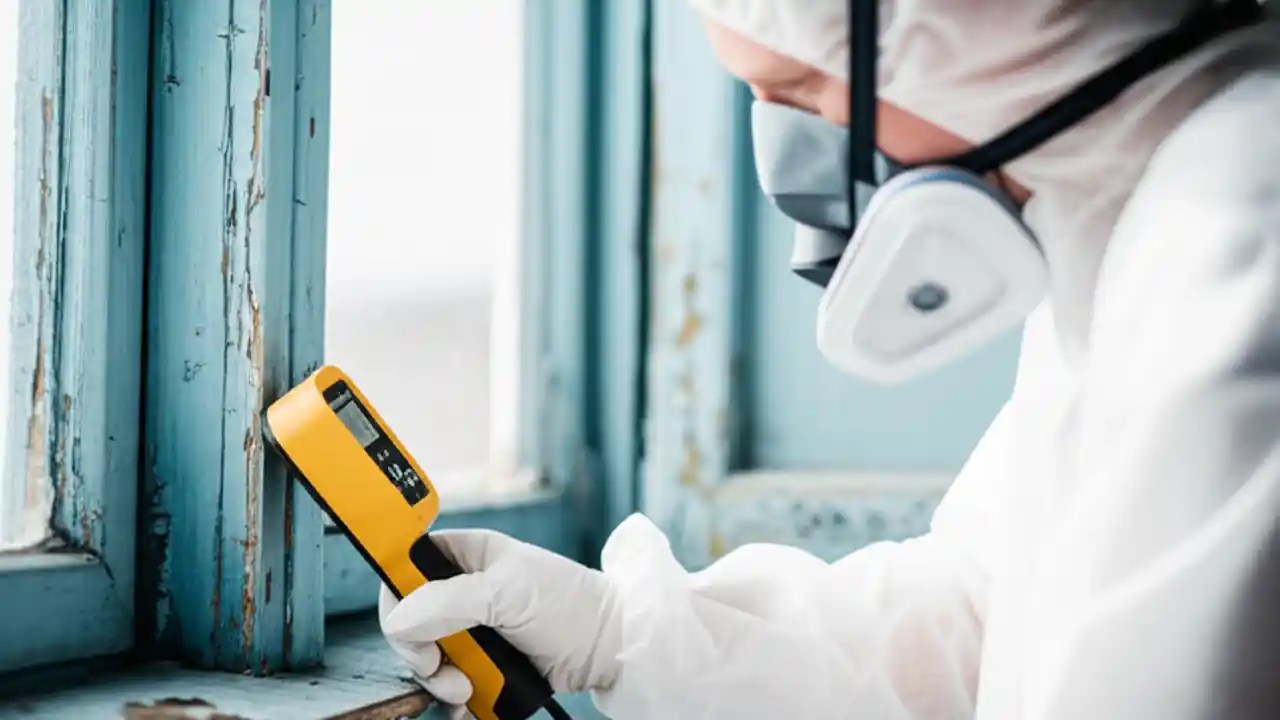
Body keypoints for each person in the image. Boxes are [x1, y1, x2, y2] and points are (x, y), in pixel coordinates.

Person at [380, 1, 1280, 717]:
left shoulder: (1244, 222)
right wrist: (625, 634)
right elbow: (988, 621)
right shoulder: (1125, 208)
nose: (797, 168)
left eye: (807, 91)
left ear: (956, 22)